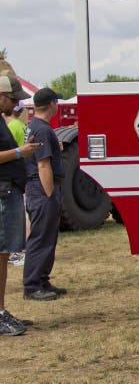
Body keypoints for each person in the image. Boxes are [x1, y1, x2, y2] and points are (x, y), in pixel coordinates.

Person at [0, 74, 41, 336]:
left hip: (7, 191)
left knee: (4, 255)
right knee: (1, 254)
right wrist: (19, 153)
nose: (15, 104)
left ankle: (2, 311)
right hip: (2, 194)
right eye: (13, 99)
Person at [23, 87, 68, 301]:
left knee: (47, 237)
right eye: (56, 102)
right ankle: (32, 286)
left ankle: (42, 279)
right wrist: (50, 194)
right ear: (51, 104)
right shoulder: (41, 129)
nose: (57, 105)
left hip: (38, 189)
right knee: (41, 238)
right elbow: (43, 165)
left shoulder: (35, 126)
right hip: (42, 189)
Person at [4, 103, 29, 266]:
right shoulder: (22, 126)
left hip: (13, 176)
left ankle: (19, 251)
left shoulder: (11, 126)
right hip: (22, 174)